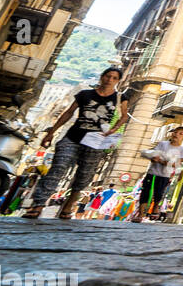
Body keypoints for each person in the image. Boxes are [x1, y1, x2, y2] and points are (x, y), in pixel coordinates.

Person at [22, 68, 130, 220]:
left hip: (96, 141)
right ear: (101, 77)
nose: (110, 80)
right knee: (58, 167)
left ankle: (68, 205)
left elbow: (124, 116)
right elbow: (68, 113)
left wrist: (114, 130)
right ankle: (38, 204)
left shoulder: (120, 98)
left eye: (114, 78)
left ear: (118, 81)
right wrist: (51, 132)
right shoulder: (85, 94)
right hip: (73, 137)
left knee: (84, 176)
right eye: (107, 76)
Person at [132, 127, 183, 224]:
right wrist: (153, 158)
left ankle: (155, 209)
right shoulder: (163, 144)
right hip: (152, 172)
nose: (176, 134)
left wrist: (162, 161)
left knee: (158, 194)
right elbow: (154, 155)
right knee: (145, 192)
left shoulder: (182, 150)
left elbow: (177, 164)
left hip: (165, 175)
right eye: (175, 132)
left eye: (180, 133)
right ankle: (140, 215)